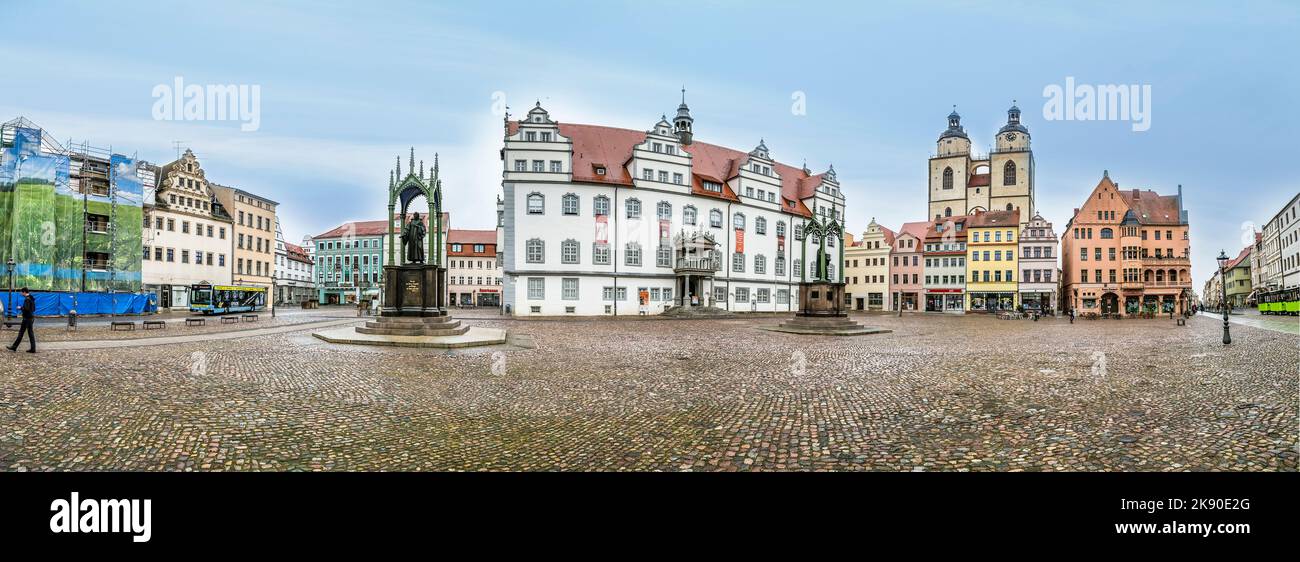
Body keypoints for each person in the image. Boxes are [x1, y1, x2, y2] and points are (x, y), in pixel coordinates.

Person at [8, 287, 36, 353]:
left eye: (21, 292)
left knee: (21, 333)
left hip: (26, 319)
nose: (21, 293)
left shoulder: (27, 299)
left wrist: (20, 307)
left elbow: (26, 308)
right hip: (31, 318)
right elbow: (34, 309)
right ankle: (33, 348)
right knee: (30, 334)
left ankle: (14, 347)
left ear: (24, 292)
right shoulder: (31, 298)